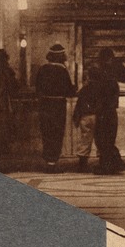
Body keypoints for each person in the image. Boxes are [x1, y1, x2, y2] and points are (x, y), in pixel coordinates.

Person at [35, 43, 75, 173]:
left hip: (44, 105)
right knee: (57, 133)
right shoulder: (62, 70)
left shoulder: (42, 69)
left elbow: (37, 88)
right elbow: (70, 91)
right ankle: (53, 162)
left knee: (46, 132)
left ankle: (48, 162)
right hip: (58, 105)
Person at [93, 47, 125, 175]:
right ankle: (113, 163)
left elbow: (97, 95)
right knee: (108, 139)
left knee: (102, 139)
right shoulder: (113, 79)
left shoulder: (100, 75)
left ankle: (107, 165)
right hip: (111, 112)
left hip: (103, 112)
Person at [72, 66, 105, 172]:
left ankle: (82, 164)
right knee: (100, 140)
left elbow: (79, 104)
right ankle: (102, 162)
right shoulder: (101, 88)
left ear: (88, 77)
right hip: (98, 116)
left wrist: (76, 118)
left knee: (85, 140)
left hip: (85, 117)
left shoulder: (84, 89)